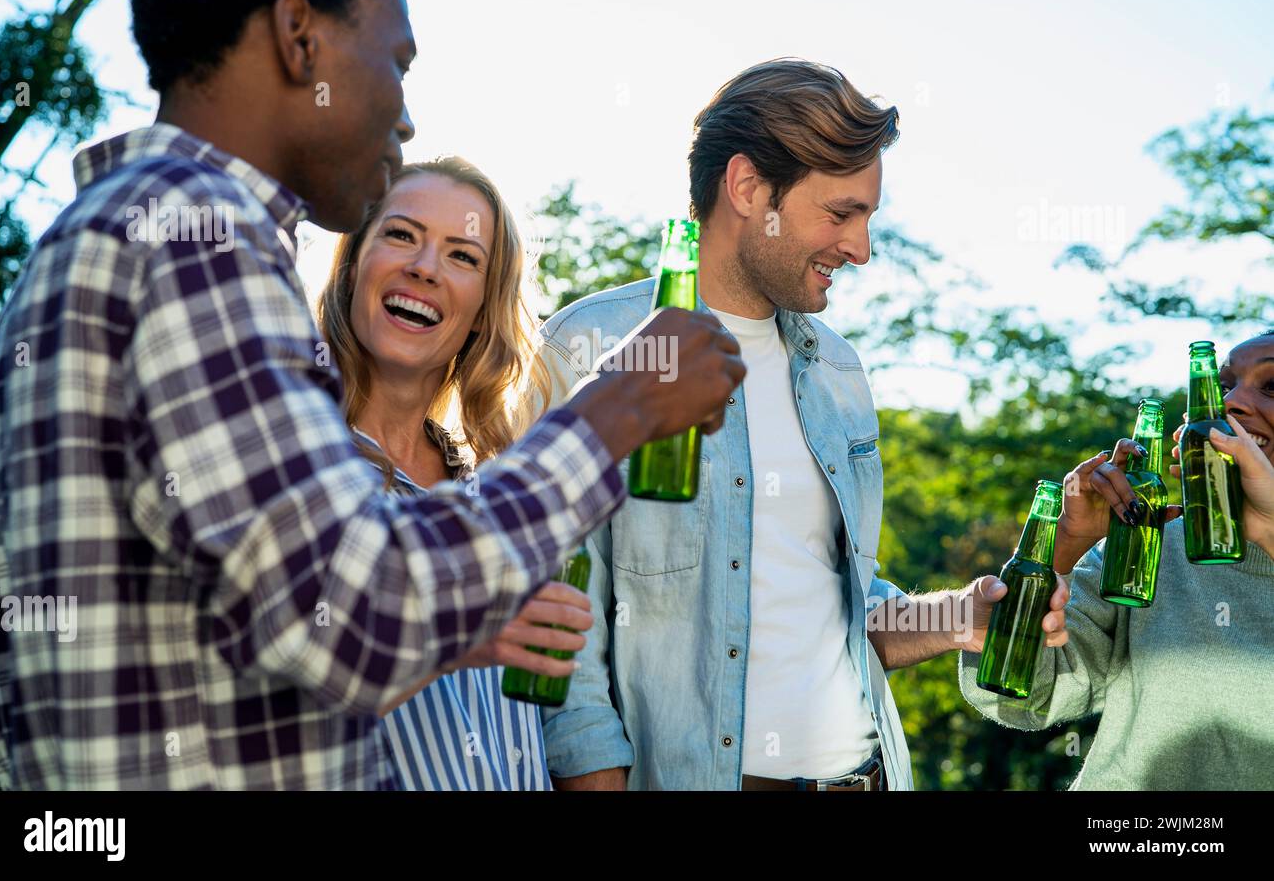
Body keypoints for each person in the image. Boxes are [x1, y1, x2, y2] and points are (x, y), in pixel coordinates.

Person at [0, 0, 744, 790]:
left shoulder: (105, 236)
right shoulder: (195, 235)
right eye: (399, 62)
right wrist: (624, 407)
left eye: (463, 255)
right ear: (301, 36)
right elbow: (356, 611)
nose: (406, 114)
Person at [534, 58, 1068, 791]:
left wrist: (955, 618)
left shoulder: (839, 372)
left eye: (868, 218)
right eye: (840, 213)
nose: (861, 248)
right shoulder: (587, 350)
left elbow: (833, 601)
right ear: (749, 188)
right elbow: (559, 641)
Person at [317, 156, 582, 789]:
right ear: (354, 264)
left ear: (484, 308)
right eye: (402, 235)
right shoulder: (290, 468)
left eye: (463, 256)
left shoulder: (492, 486)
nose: (425, 268)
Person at [958, 331, 1274, 789]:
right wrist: (1065, 546)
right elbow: (1019, 698)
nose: (1230, 404)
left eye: (1271, 387)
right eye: (1223, 385)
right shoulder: (1154, 545)